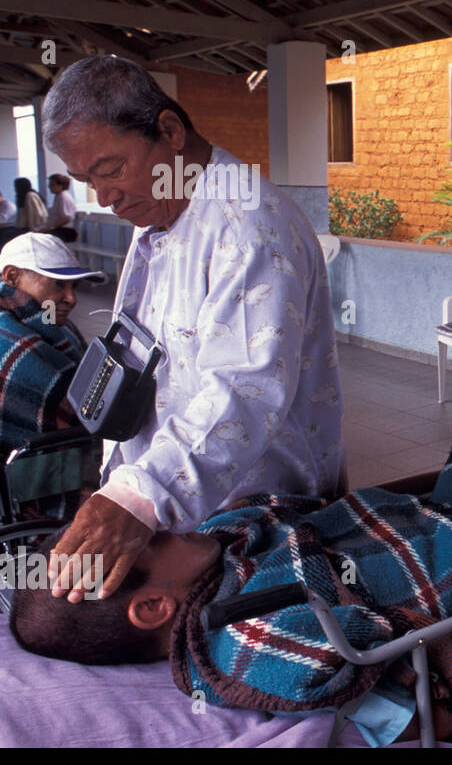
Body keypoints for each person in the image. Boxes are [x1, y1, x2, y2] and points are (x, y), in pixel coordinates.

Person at [9, 395, 452, 748]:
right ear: (152, 609)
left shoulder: (206, 550)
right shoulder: (243, 638)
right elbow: (379, 683)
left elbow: (269, 515)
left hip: (434, 522)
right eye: (133, 546)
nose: (150, 524)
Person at [36, 54, 345, 604]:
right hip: (184, 506)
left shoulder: (246, 227)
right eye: (86, 180)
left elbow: (244, 392)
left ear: (170, 131)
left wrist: (142, 495)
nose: (102, 197)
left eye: (110, 169)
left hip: (250, 519)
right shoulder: (162, 206)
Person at [0, 233, 106, 522]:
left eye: (75, 285)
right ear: (11, 276)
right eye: (58, 284)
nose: (71, 298)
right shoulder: (9, 342)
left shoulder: (50, 325)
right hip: (33, 496)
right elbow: (89, 415)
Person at [43, 174, 79, 244]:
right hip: (60, 229)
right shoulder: (59, 196)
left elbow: (66, 218)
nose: (49, 187)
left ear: (61, 186)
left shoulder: (63, 197)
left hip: (66, 231)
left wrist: (51, 227)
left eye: (52, 185)